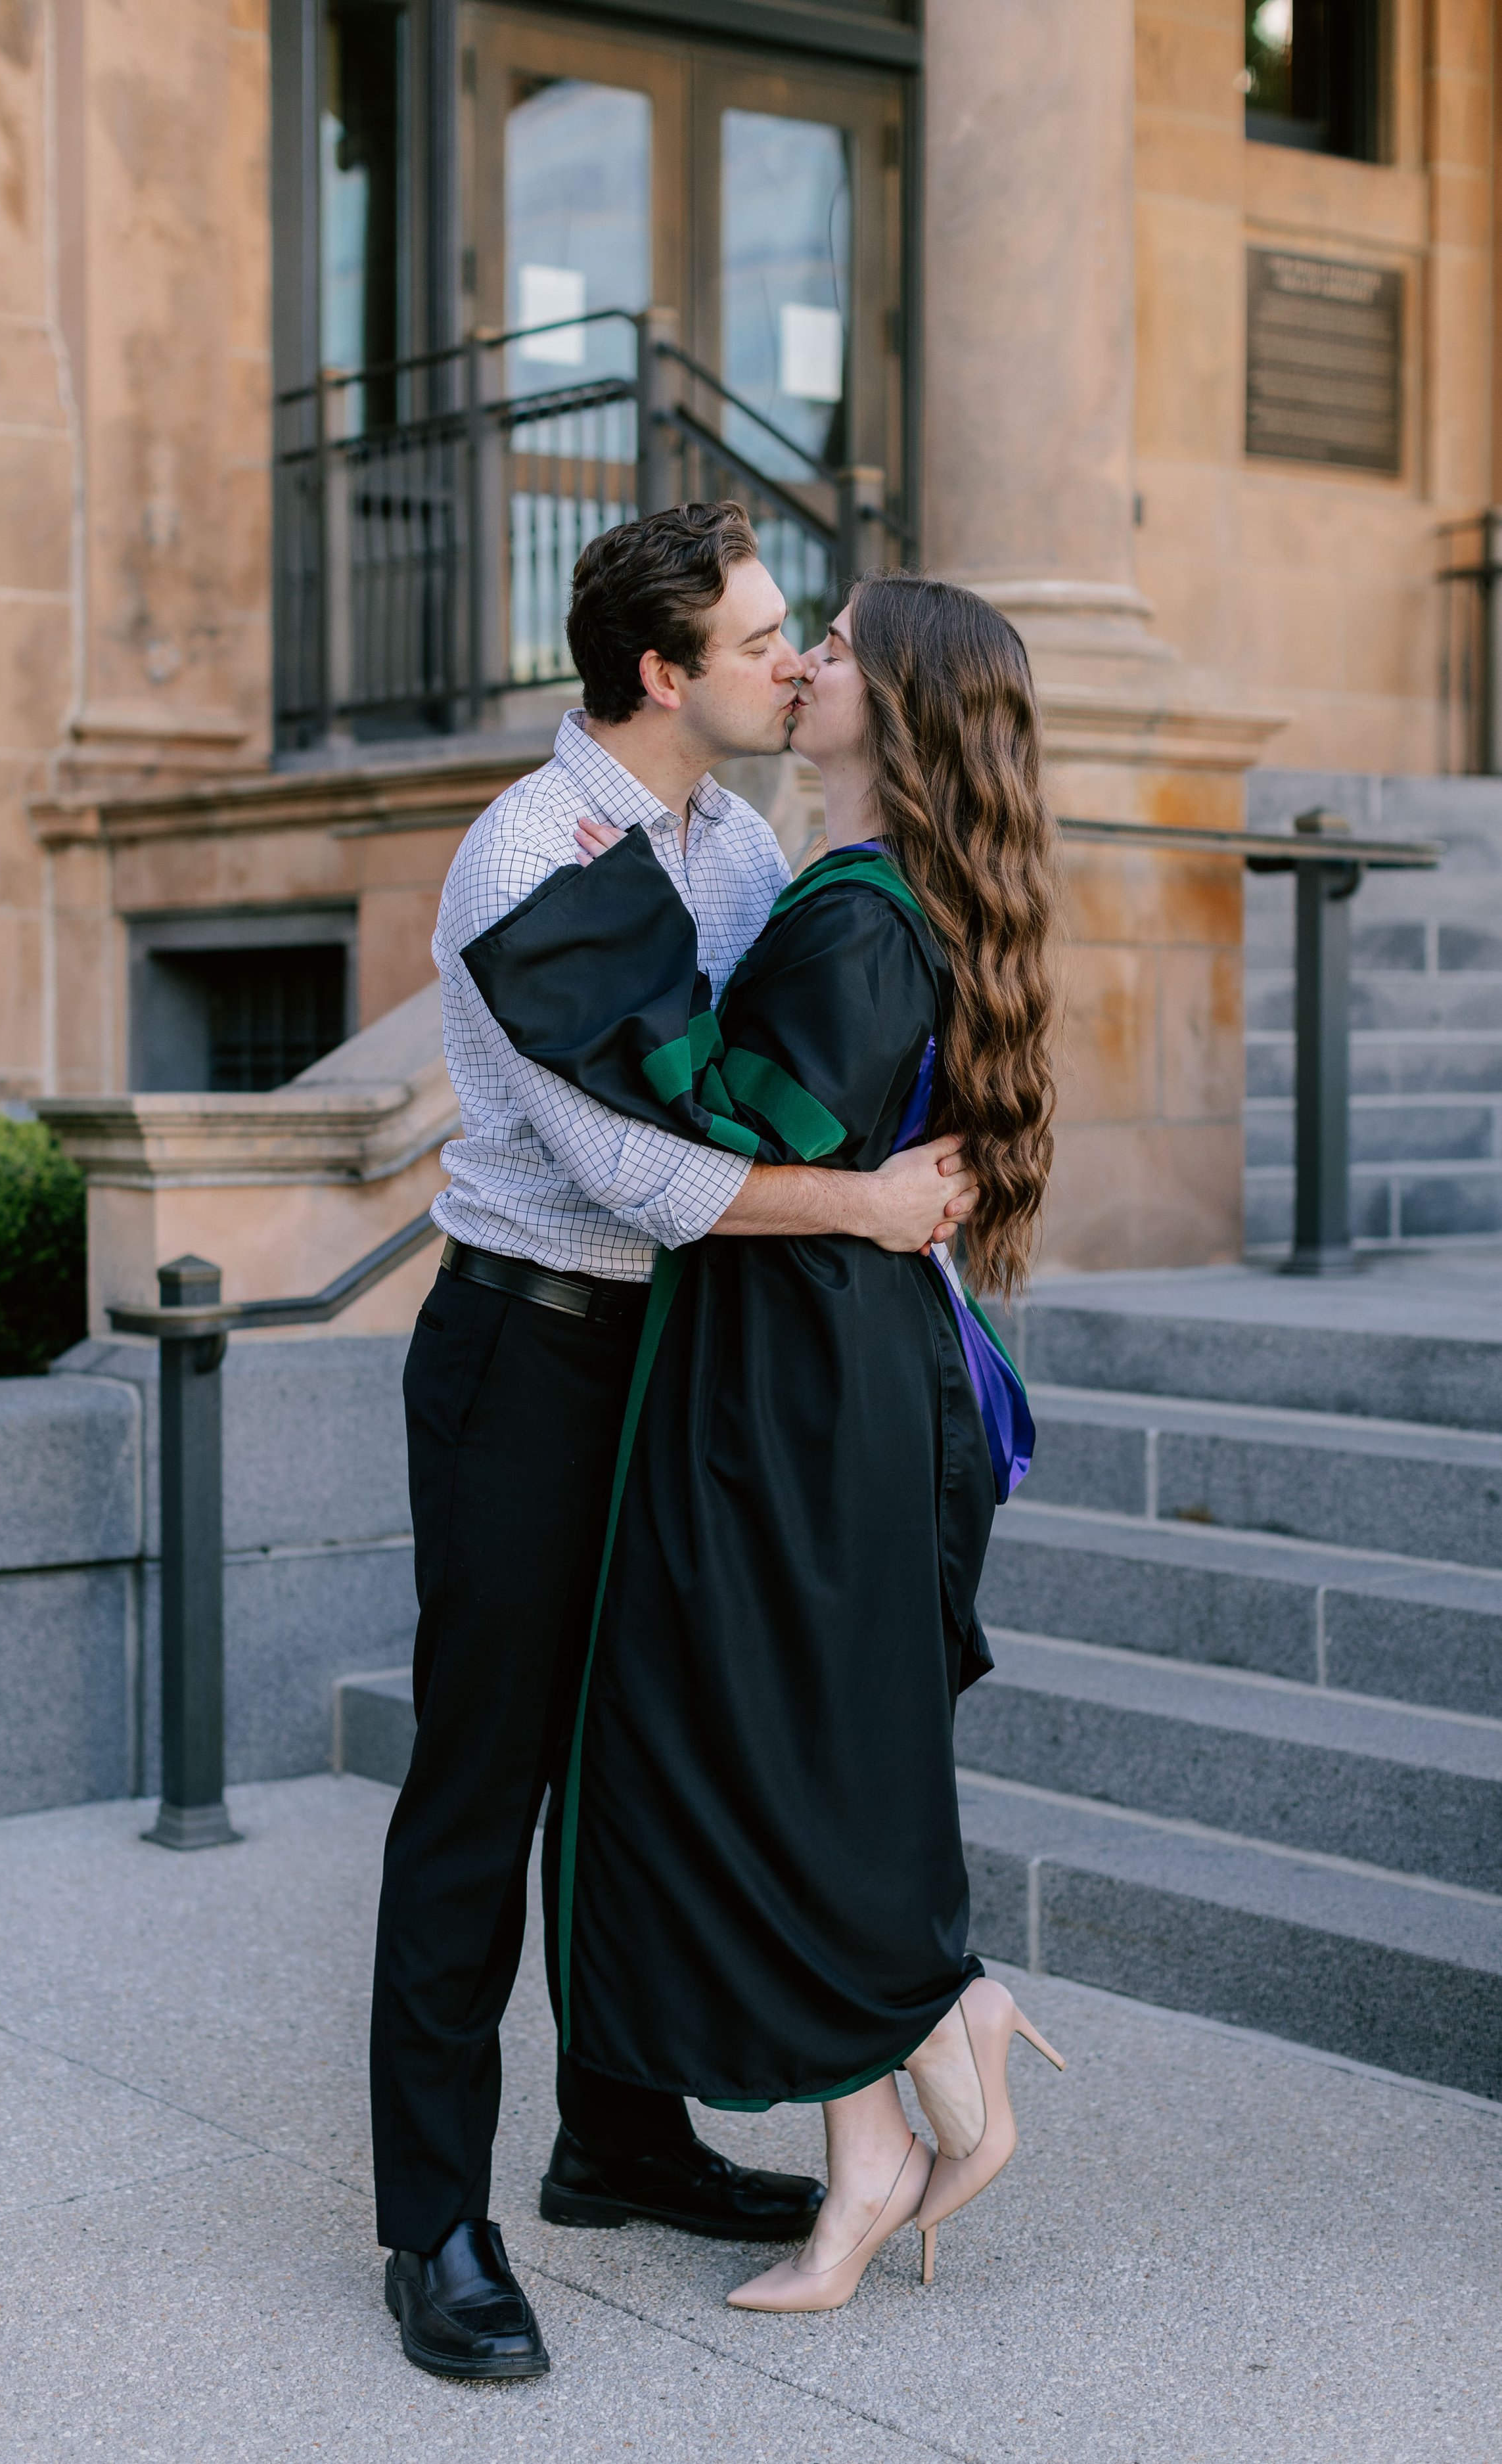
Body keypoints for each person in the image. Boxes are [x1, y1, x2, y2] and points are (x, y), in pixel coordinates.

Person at [371, 506, 979, 2383]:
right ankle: (432, 2229)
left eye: (808, 638)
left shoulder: (732, 840)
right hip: (532, 1355)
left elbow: (761, 1077)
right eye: (763, 639)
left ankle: (613, 2137)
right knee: (482, 1788)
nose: (797, 664)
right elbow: (641, 1171)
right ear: (663, 671)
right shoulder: (526, 860)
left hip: (679, 1374)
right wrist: (867, 1213)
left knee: (637, 1746)